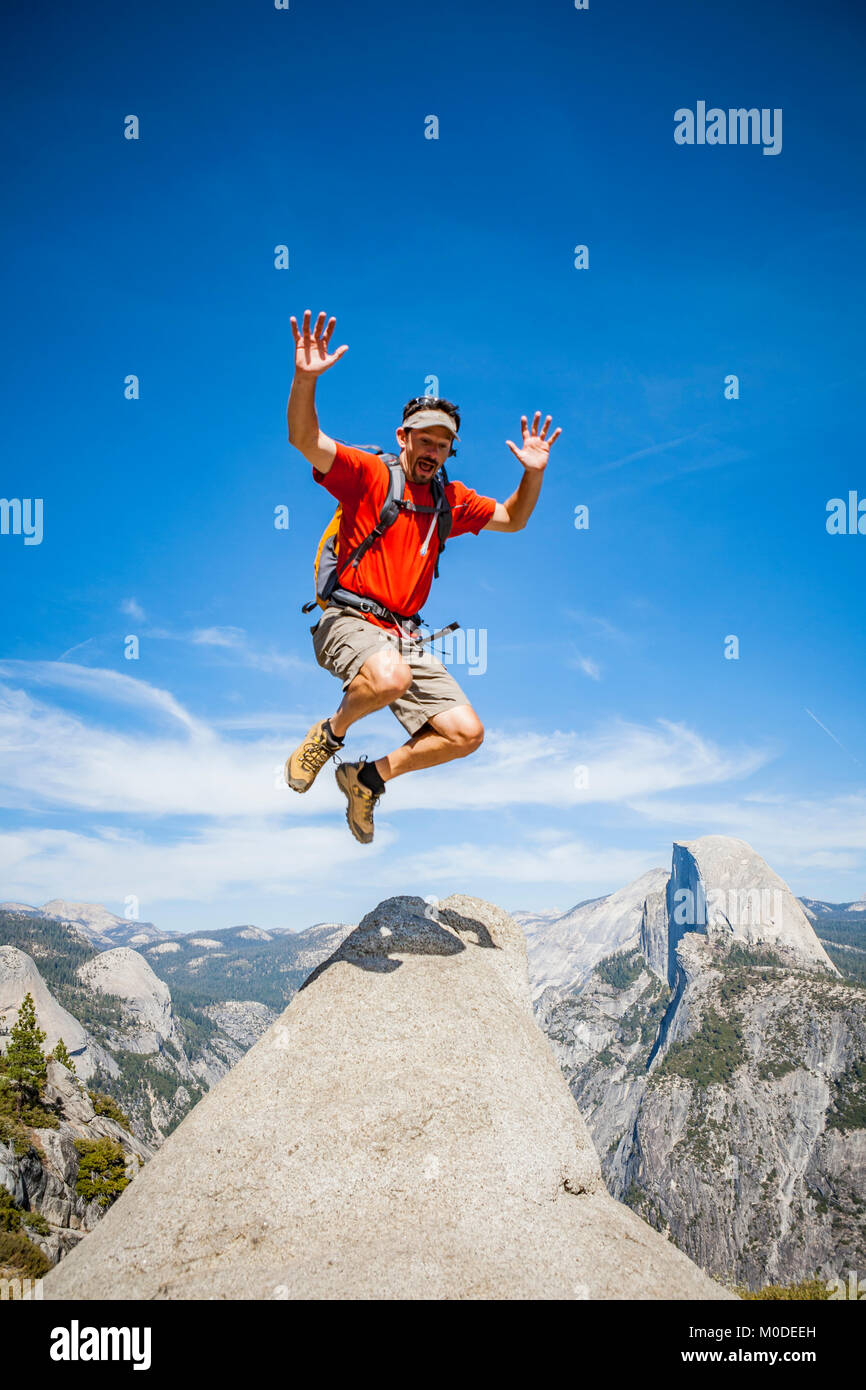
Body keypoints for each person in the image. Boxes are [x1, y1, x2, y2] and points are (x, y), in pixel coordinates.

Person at [284, 309, 561, 844]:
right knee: (390, 677)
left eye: (442, 444)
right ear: (403, 438)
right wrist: (306, 378)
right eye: (424, 441)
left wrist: (533, 475)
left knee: (465, 733)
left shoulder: (449, 501)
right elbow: (304, 438)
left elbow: (514, 518)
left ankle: (366, 779)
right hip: (347, 618)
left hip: (401, 634)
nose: (433, 452)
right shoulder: (368, 475)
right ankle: (330, 735)